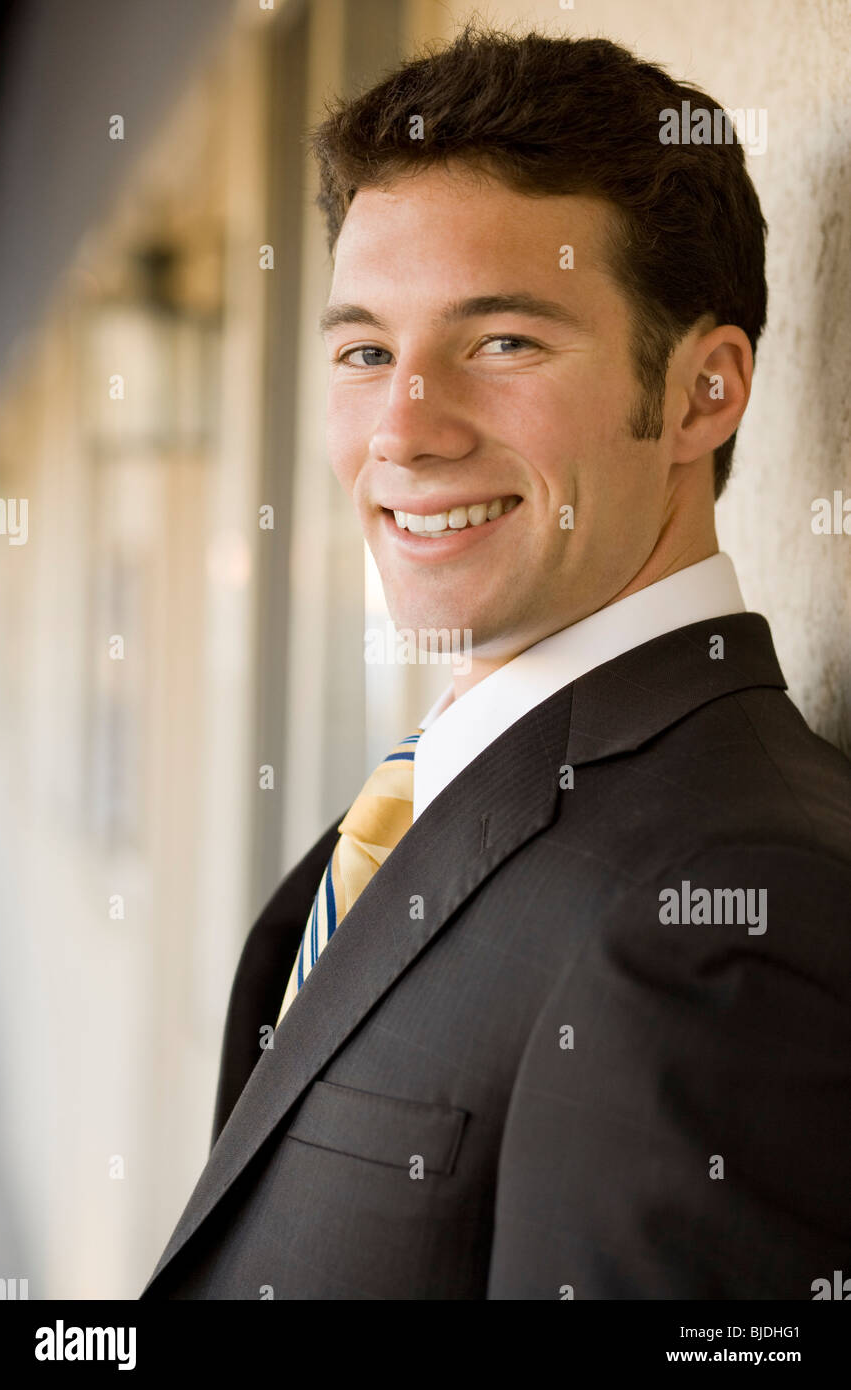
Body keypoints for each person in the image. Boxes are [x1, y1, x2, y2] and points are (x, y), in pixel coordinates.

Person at [141, 24, 851, 1300]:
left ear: (702, 391)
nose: (401, 432)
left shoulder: (728, 913)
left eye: (502, 342)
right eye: (366, 351)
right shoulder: (445, 794)